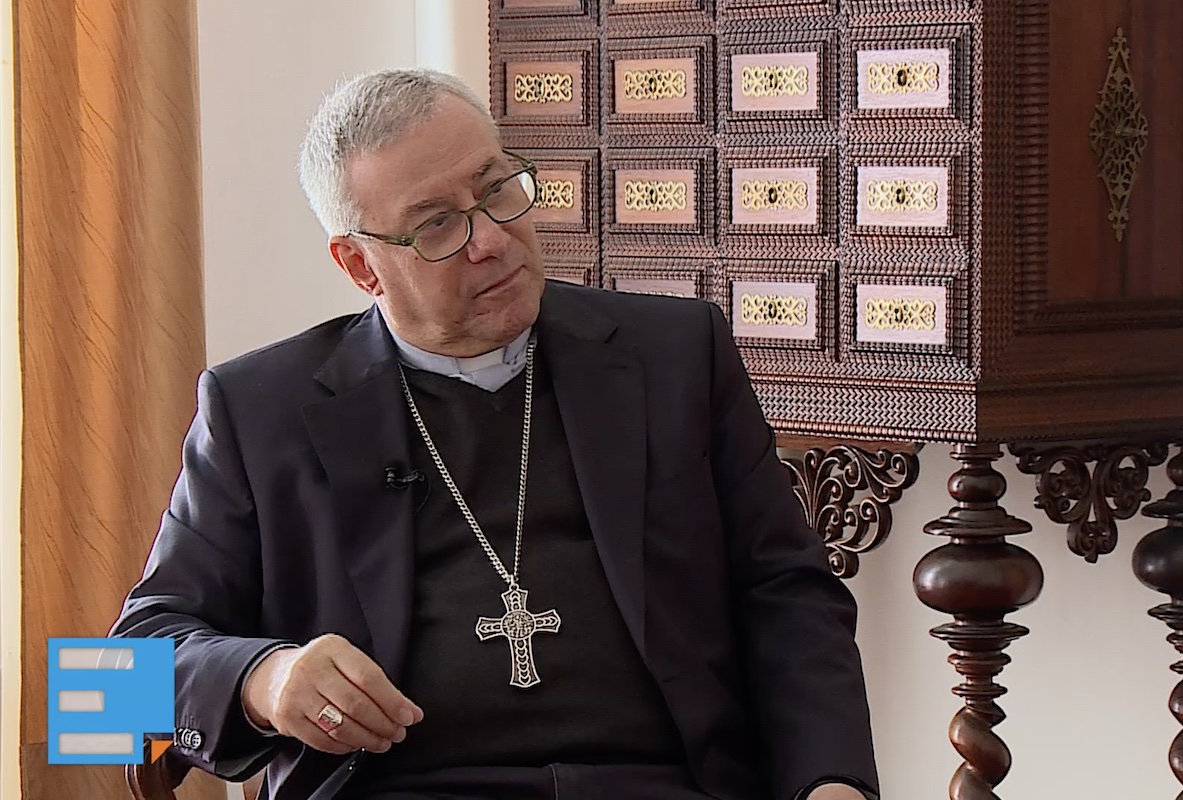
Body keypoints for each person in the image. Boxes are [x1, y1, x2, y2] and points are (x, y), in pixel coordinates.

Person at [112, 69, 879, 800]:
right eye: (437, 225)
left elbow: (787, 591)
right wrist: (263, 680)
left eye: (496, 191)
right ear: (360, 267)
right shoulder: (257, 409)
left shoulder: (676, 354)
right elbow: (105, 691)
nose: (492, 239)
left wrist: (830, 780)